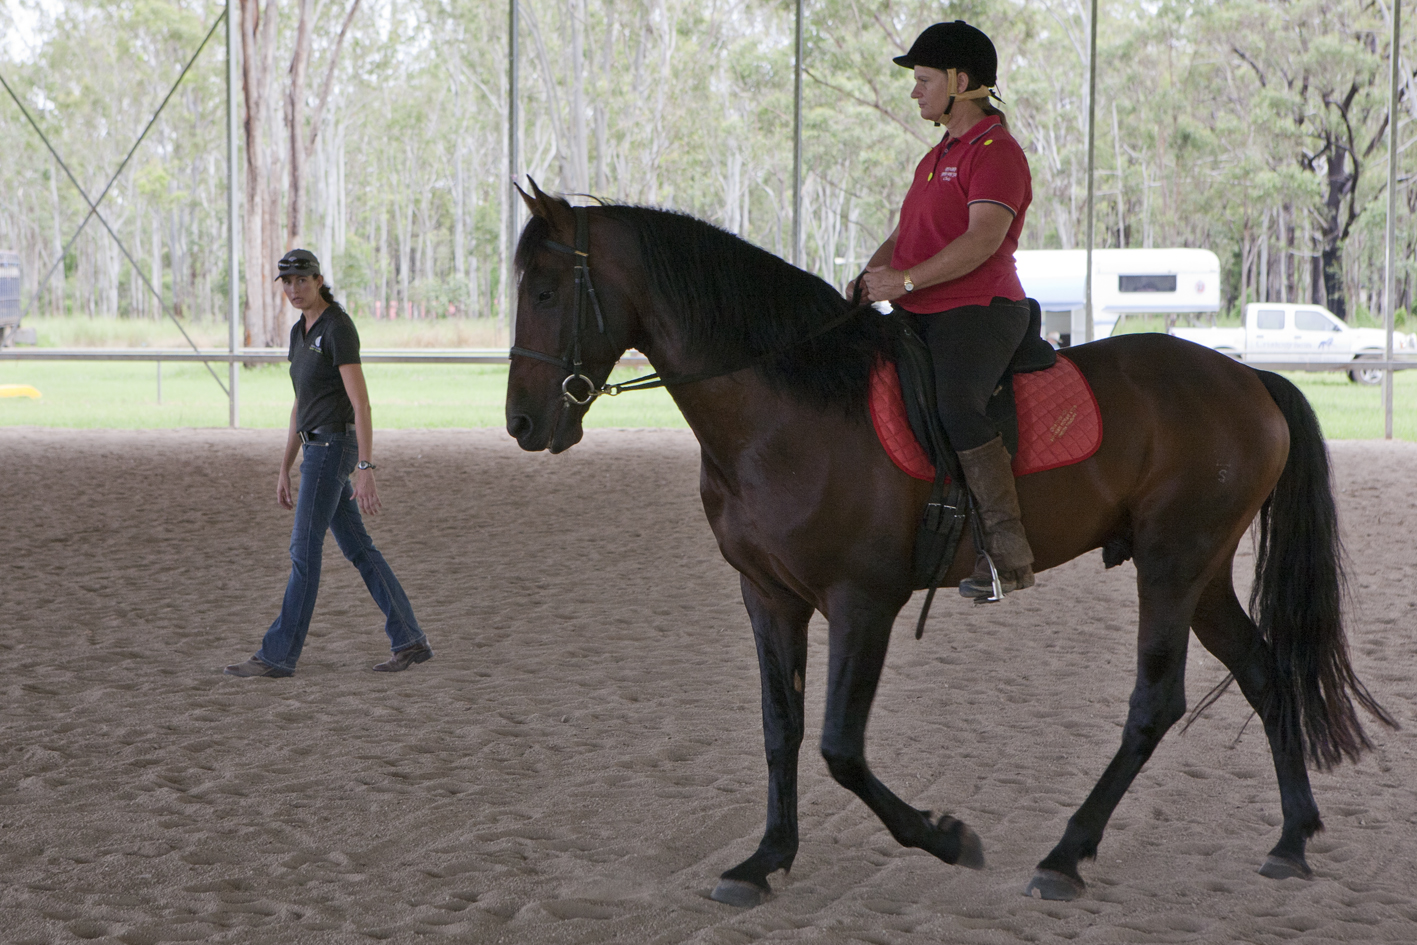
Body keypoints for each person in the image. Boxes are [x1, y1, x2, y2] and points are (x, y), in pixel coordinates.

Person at [851, 20, 1035, 599]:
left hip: (980, 309)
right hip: (921, 308)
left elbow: (982, 241)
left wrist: (902, 280)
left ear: (962, 81)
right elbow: (905, 236)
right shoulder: (935, 159)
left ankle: (1006, 552)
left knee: (957, 404)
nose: (915, 92)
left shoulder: (997, 153)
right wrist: (867, 279)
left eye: (923, 79)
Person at [224, 249, 433, 676]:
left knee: (304, 552)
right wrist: (284, 465)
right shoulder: (299, 333)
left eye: (302, 280)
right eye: (287, 282)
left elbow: (361, 403)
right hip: (313, 449)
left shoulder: (338, 328)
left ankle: (277, 656)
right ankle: (410, 640)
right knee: (359, 548)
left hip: (334, 449)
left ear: (319, 280)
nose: (293, 289)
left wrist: (367, 468)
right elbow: (301, 402)